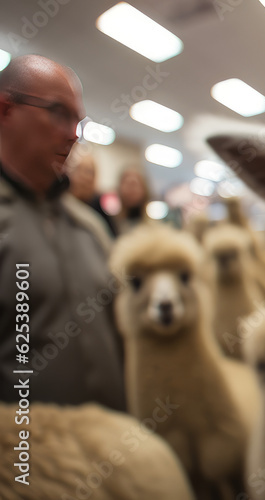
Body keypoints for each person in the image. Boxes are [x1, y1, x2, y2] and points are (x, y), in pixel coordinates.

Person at [0, 55, 127, 411]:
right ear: (5, 110)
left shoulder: (90, 228)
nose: (74, 134)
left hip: (112, 449)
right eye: (59, 113)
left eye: (78, 121)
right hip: (28, 460)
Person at [66, 148, 117, 237]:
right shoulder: (62, 202)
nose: (86, 177)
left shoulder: (101, 205)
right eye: (80, 170)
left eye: (90, 172)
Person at [113, 166, 150, 235]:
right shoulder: (111, 224)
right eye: (127, 184)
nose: (131, 189)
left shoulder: (152, 228)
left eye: (135, 184)